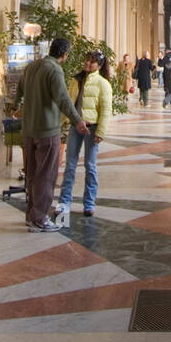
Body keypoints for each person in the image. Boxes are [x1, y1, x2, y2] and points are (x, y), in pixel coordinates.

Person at [16, 38, 89, 232]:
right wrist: (77, 120)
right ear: (64, 55)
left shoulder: (32, 66)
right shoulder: (54, 69)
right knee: (46, 175)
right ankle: (40, 218)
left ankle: (31, 214)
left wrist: (15, 106)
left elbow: (19, 88)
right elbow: (63, 98)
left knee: (32, 174)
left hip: (29, 129)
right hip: (47, 131)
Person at [56, 49, 112, 218]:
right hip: (75, 126)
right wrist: (63, 121)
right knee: (70, 165)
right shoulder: (75, 80)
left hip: (92, 128)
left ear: (99, 65)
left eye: (92, 62)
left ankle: (89, 203)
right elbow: (68, 102)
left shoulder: (103, 84)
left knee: (90, 166)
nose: (88, 64)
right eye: (86, 60)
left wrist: (101, 131)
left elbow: (106, 109)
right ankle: (64, 202)